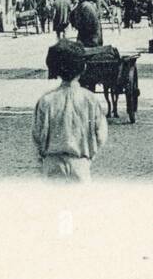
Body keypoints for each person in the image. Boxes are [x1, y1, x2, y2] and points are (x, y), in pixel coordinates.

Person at [33, 40, 109, 182]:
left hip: (52, 165)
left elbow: (38, 135)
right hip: (80, 164)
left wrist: (44, 156)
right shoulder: (90, 100)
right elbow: (101, 135)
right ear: (83, 68)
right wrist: (90, 154)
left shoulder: (46, 101)